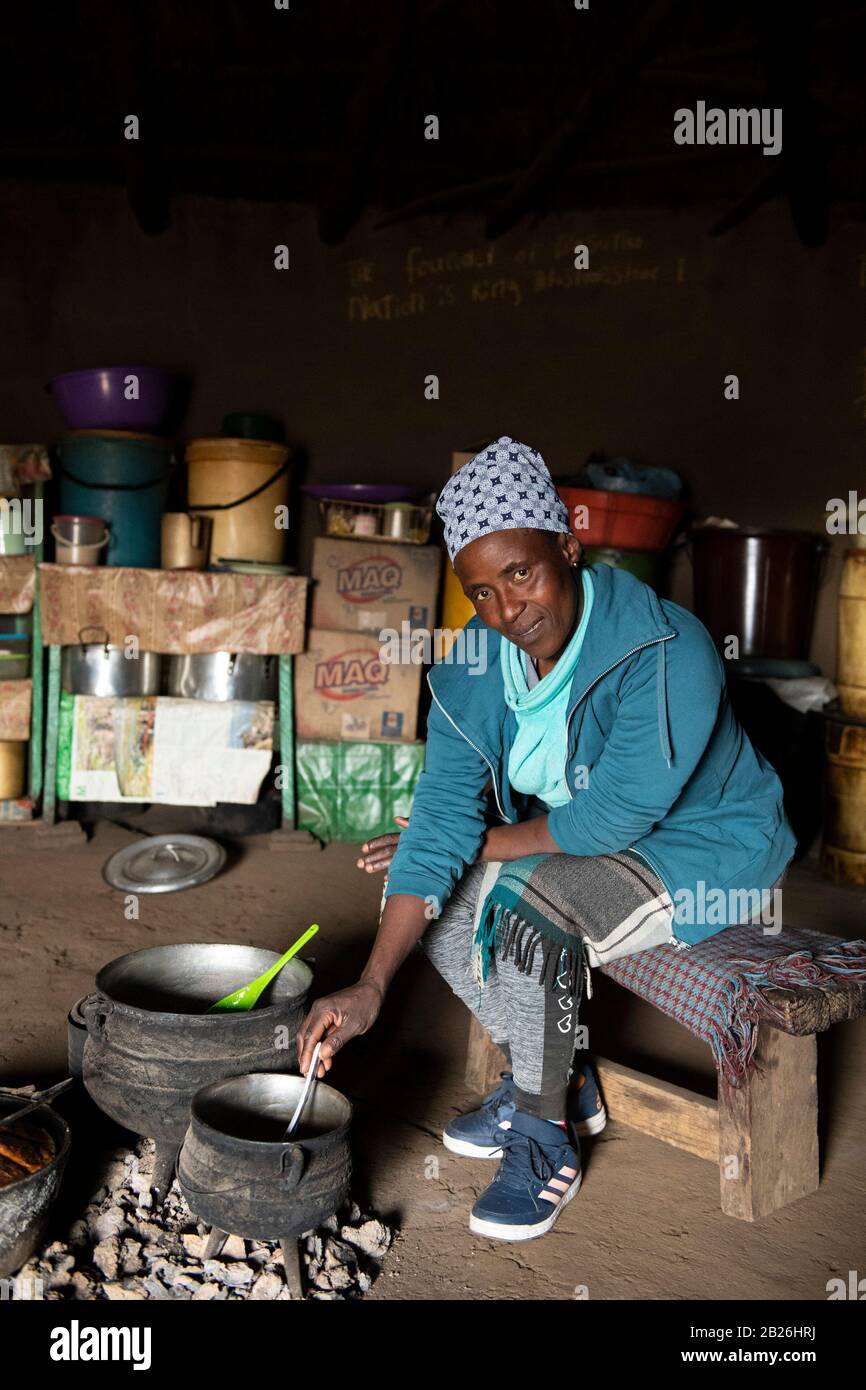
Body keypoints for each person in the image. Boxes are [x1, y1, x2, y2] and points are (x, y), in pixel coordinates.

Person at [297, 436, 796, 1242]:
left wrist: (477, 842)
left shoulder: (663, 650)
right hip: (590, 844)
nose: (507, 611)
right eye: (481, 592)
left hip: (709, 849)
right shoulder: (479, 663)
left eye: (521, 574)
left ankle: (544, 1135)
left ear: (568, 544)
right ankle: (560, 1083)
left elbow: (608, 823)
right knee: (437, 892)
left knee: (531, 902)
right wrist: (371, 986)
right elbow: (443, 819)